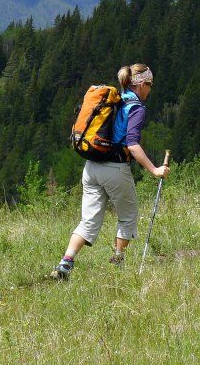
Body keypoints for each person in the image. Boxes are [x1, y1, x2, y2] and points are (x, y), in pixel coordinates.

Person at [52, 64, 169, 279]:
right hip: (115, 168)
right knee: (127, 217)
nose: (150, 90)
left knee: (89, 220)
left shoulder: (114, 100)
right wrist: (154, 170)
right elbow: (132, 144)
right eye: (150, 85)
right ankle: (118, 264)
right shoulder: (136, 107)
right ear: (142, 84)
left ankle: (65, 262)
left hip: (92, 167)